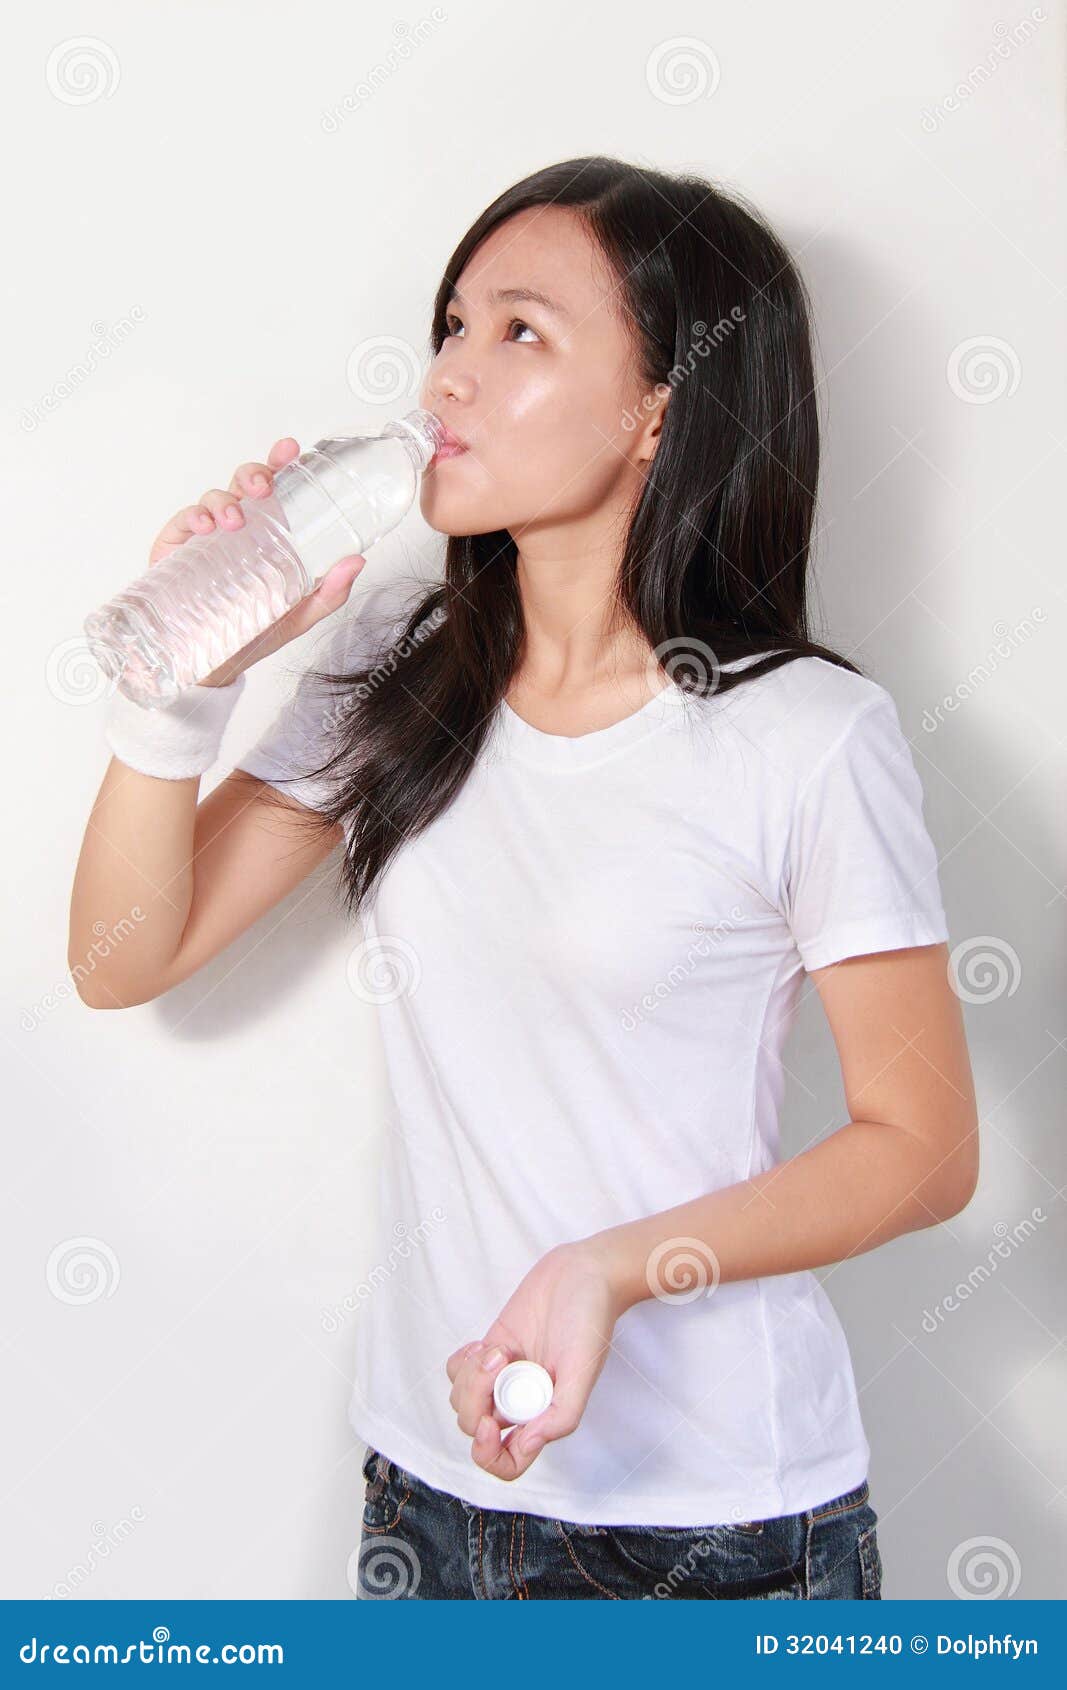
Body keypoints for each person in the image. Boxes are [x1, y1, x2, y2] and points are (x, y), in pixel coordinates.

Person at [70, 156, 979, 1600]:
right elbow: (123, 956)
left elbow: (925, 1144)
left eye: (520, 332)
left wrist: (617, 1266)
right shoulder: (402, 673)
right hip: (427, 1491)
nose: (446, 378)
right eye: (450, 325)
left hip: (722, 1530)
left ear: (660, 408)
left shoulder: (806, 737)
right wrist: (181, 685)